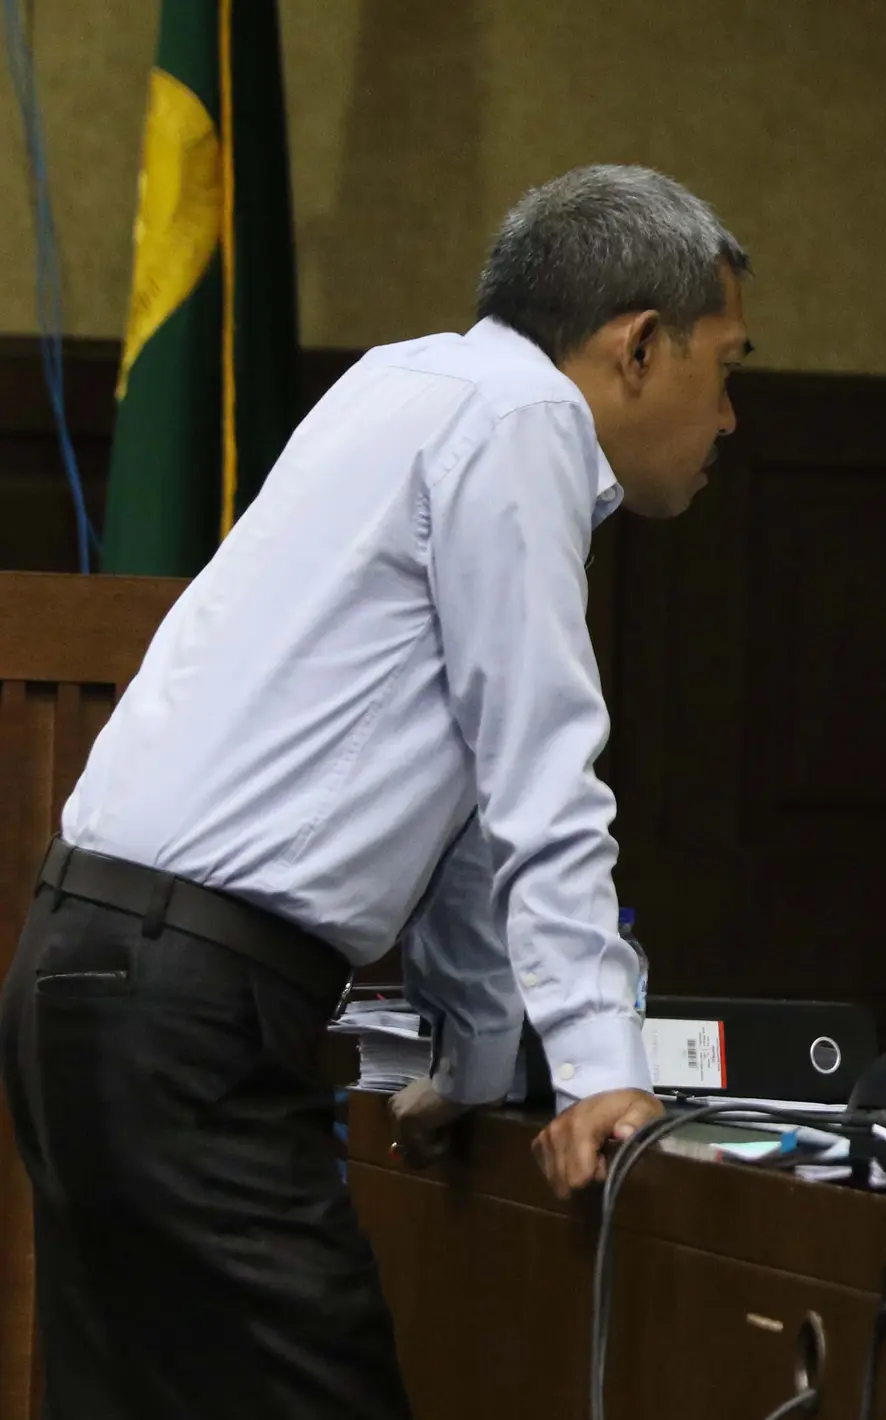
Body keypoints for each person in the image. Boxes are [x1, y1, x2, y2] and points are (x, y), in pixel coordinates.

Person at [0, 164, 751, 1417]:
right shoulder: (522, 428)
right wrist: (600, 1072)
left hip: (85, 976)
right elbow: (538, 775)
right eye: (727, 366)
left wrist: (476, 1054)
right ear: (636, 346)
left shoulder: (403, 384)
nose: (730, 417)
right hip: (193, 1014)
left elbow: (449, 794)